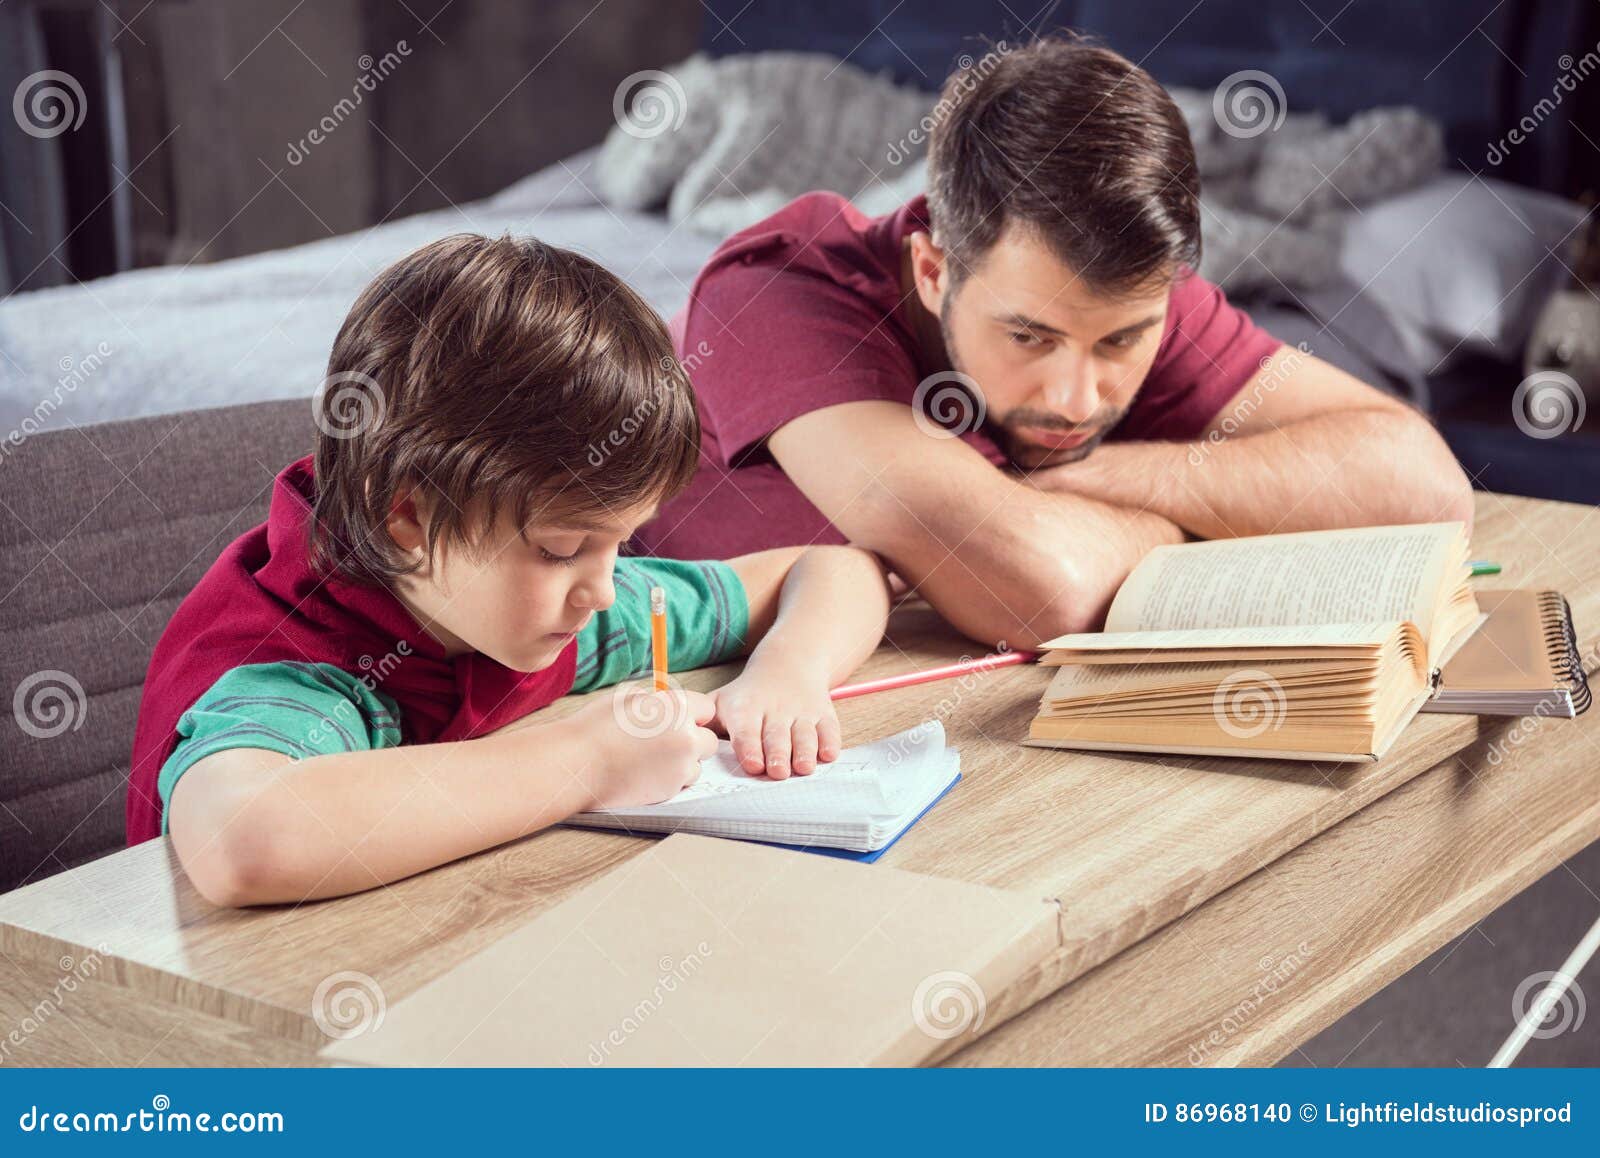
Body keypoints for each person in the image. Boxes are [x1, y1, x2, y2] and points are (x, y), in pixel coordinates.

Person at [127, 234, 890, 907]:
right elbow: (245, 844)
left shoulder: (549, 608)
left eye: (620, 544)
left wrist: (787, 673)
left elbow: (833, 568)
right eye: (562, 549)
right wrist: (587, 759)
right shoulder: (298, 666)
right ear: (408, 518)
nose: (601, 590)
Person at [635, 36, 1474, 647]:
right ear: (934, 272)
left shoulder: (1129, 294)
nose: (1077, 400)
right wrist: (1203, 519)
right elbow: (1041, 591)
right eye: (1028, 336)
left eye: (1121, 343)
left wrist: (1107, 476)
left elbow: (1427, 488)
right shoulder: (779, 291)